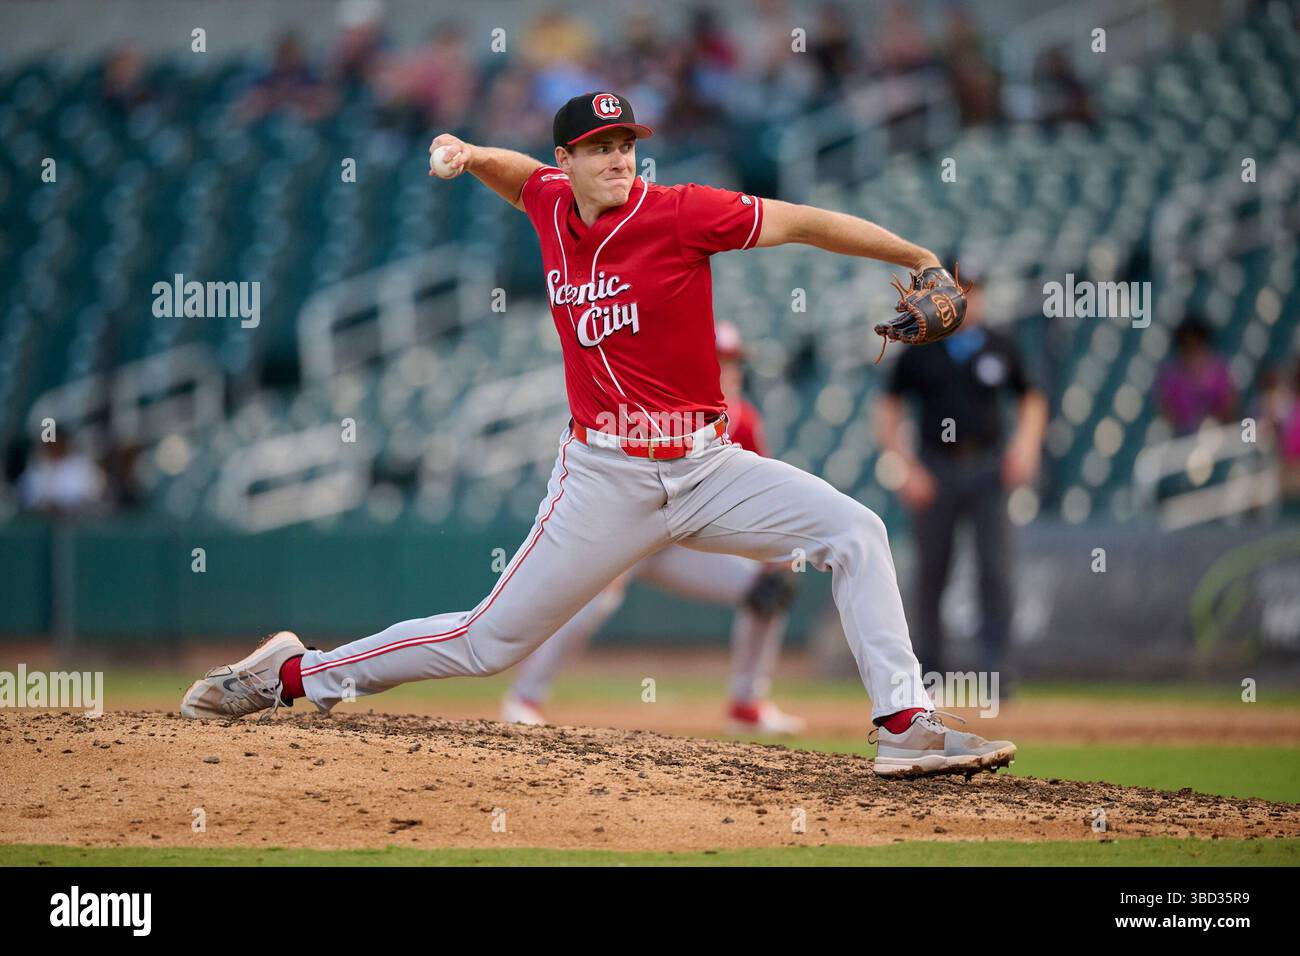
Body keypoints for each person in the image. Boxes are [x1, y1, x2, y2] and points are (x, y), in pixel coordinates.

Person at [181, 91, 1016, 777]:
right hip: (605, 476)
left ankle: (904, 725)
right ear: (569, 162)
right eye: (600, 146)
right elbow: (519, 179)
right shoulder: (550, 201)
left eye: (627, 144)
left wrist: (916, 255)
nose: (620, 158)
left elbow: (800, 220)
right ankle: (290, 676)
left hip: (709, 465)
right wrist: (472, 156)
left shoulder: (683, 214)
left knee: (856, 530)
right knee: (484, 643)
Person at [501, 321, 805, 736]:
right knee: (594, 601)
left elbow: (756, 498)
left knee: (769, 587)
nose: (729, 371)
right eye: (720, 361)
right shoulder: (660, 405)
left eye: (733, 362)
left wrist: (776, 556)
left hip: (683, 544)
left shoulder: (744, 420)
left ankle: (747, 704)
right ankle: (524, 697)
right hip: (629, 534)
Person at [876, 277, 1047, 688]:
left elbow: (1031, 397)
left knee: (995, 570)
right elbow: (888, 409)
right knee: (932, 571)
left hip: (988, 468)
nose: (967, 298)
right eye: (959, 290)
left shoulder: (999, 343)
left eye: (974, 290)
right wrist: (907, 468)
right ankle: (926, 675)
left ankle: (998, 675)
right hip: (935, 470)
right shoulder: (921, 346)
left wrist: (1026, 446)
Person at [1156, 315, 1237, 436]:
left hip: (1221, 439)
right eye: (1187, 347)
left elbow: (1231, 409)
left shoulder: (1220, 372)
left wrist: (1213, 422)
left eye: (1197, 345)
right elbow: (1168, 415)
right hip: (1184, 443)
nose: (1193, 352)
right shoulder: (1171, 379)